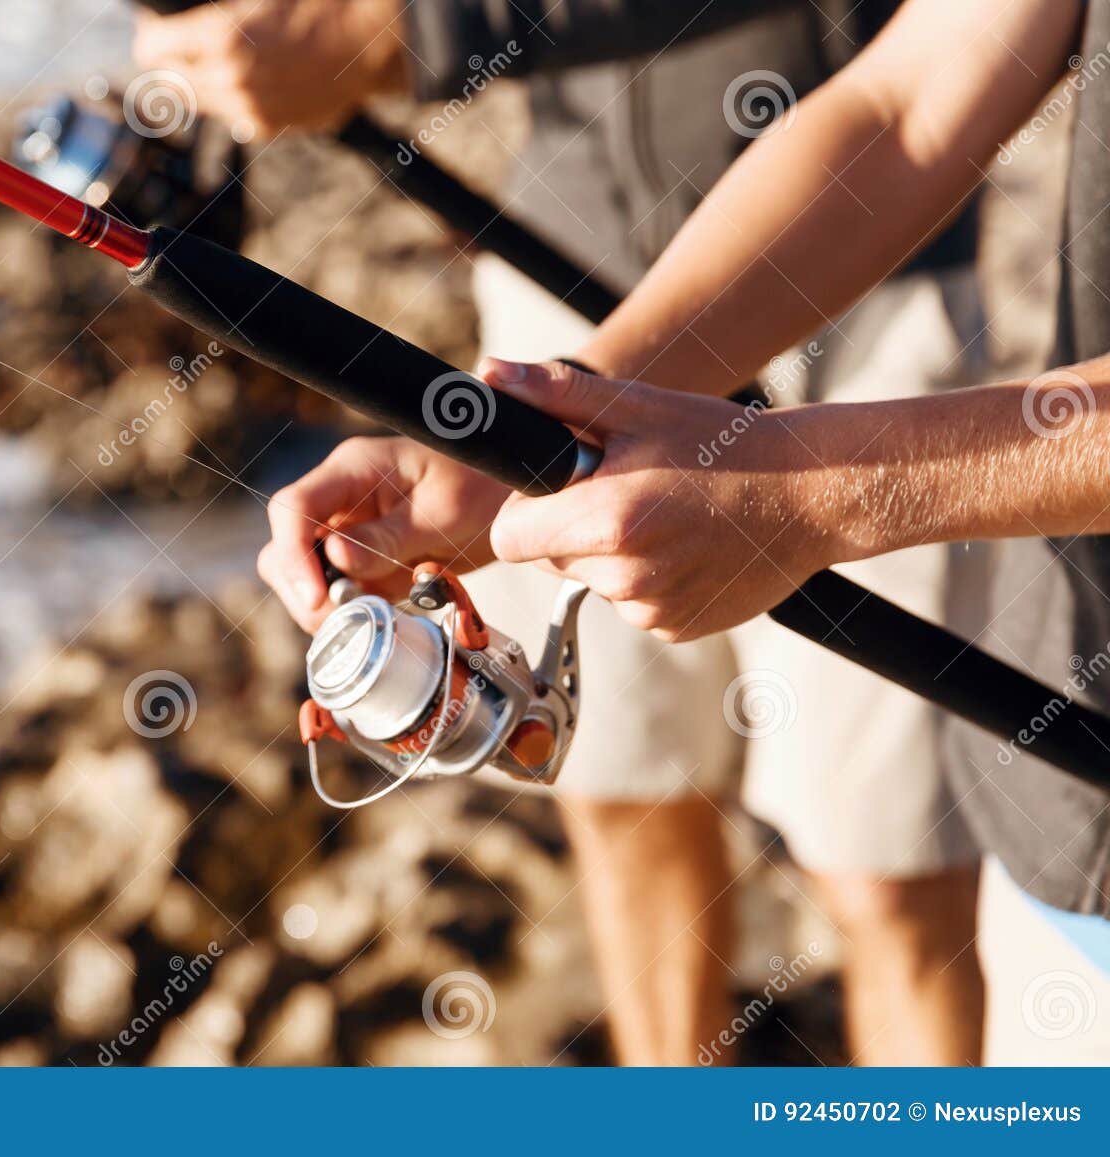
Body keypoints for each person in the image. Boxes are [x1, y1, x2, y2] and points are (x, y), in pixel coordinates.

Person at [139, 0, 989, 1064]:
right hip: (567, 294)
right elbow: (896, 104)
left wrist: (408, 30)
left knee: (890, 864)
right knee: (618, 790)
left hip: (871, 276)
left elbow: (912, 100)